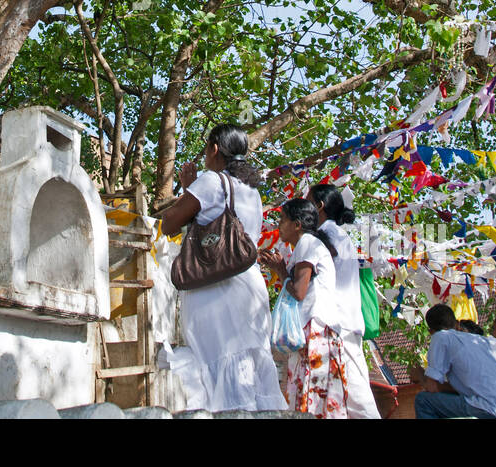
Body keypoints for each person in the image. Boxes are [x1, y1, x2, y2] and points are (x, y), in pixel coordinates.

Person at [160, 124, 287, 412]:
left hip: (218, 291)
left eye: (207, 148)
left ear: (214, 149)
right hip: (249, 288)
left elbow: (169, 224)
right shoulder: (252, 191)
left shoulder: (211, 181)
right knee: (251, 371)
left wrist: (188, 188)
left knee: (221, 366)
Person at [258, 198, 347, 417]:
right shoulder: (309, 244)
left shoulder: (307, 242)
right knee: (313, 394)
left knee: (311, 394)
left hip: (315, 327)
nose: (279, 225)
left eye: (283, 220)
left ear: (297, 224)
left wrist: (280, 271)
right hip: (317, 327)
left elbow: (299, 292)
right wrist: (281, 270)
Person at [307, 184, 381, 418]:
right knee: (339, 400)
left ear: (319, 206)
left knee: (358, 400)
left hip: (339, 326)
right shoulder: (335, 234)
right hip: (340, 325)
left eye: (307, 201)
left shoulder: (326, 236)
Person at [416, 304, 496, 419]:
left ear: (431, 332)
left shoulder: (440, 337)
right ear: (457, 324)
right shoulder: (479, 340)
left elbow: (432, 388)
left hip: (489, 407)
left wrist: (421, 377)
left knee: (423, 400)